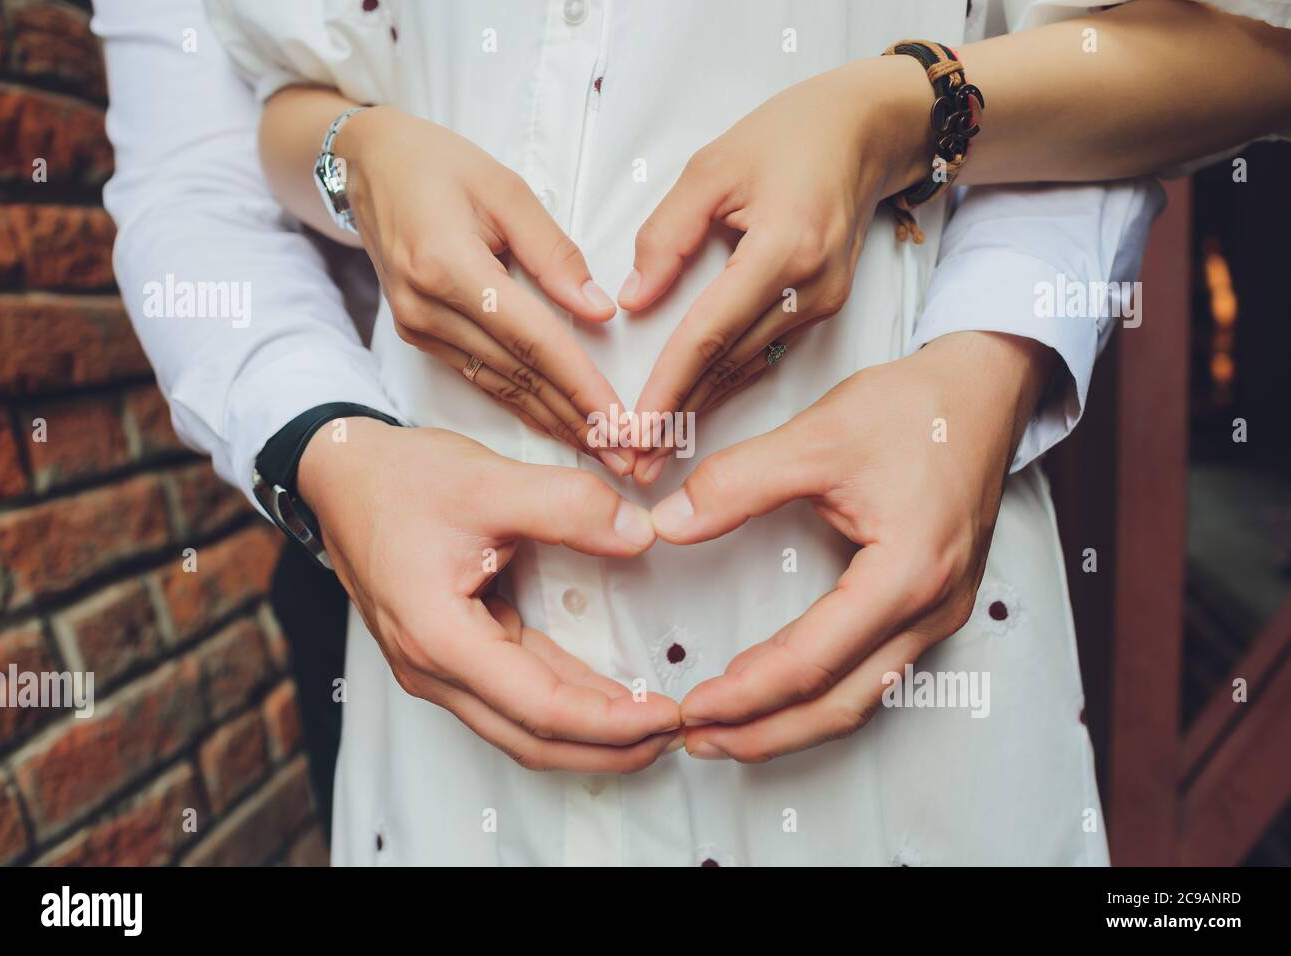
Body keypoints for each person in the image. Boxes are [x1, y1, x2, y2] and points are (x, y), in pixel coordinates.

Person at [139, 0, 1165, 866]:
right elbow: (206, 163)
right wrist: (330, 445)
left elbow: (1130, 47)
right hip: (453, 684)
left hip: (892, 644)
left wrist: (983, 367)